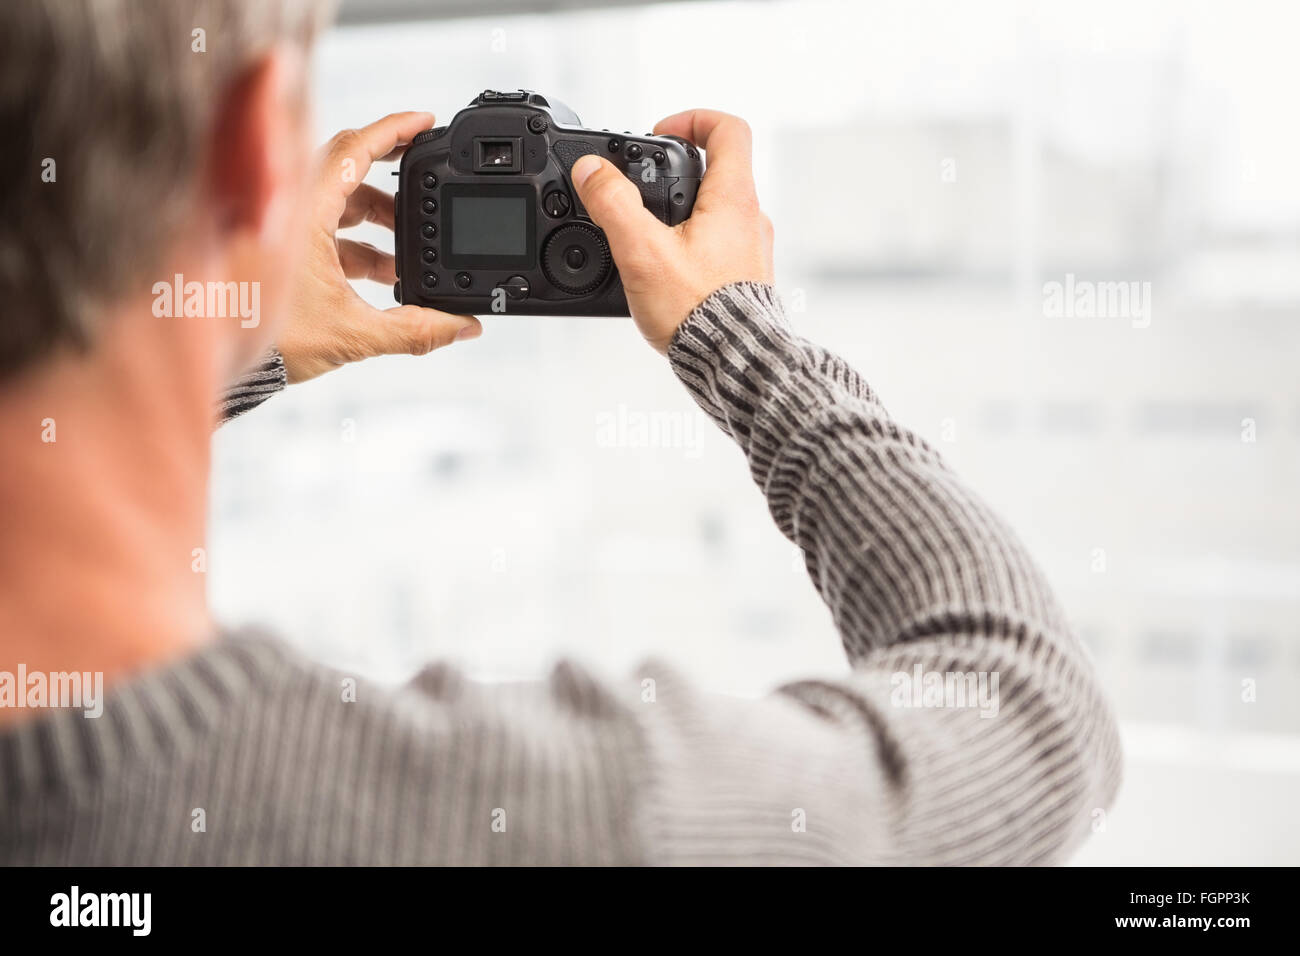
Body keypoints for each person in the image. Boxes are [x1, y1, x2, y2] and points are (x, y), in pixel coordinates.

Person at [0, 0, 1120, 865]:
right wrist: (738, 338)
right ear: (254, 156)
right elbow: (1031, 717)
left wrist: (214, 331)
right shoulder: (545, 813)